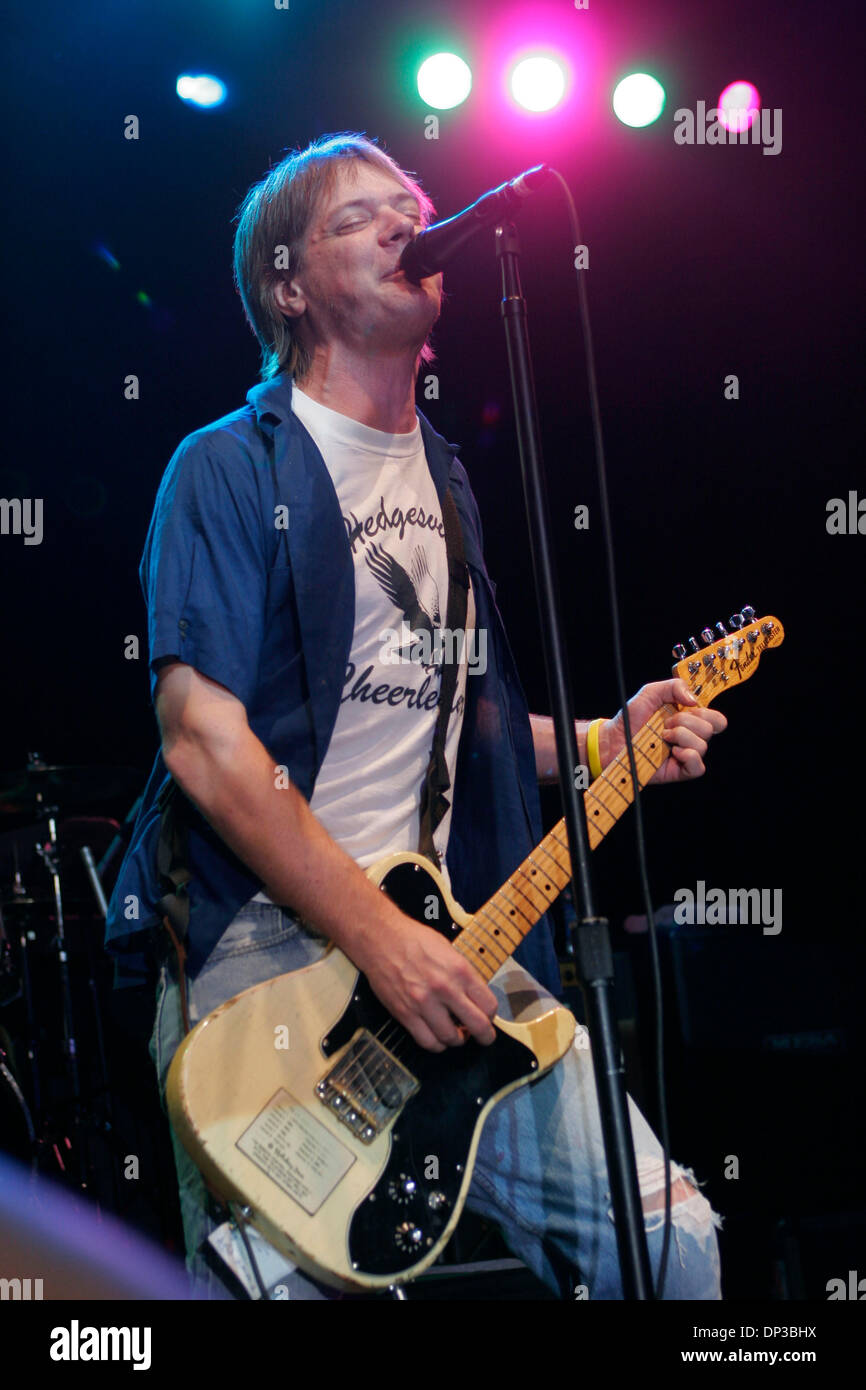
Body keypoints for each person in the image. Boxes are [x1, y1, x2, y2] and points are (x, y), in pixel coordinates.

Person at [106, 132, 727, 1300]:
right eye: (361, 217)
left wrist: (607, 740)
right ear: (286, 284)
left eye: (411, 208)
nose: (405, 227)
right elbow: (202, 739)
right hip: (278, 963)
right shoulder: (227, 469)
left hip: (448, 953)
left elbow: (461, 727)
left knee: (674, 1248)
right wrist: (377, 940)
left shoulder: (446, 481)